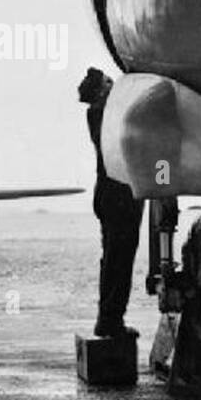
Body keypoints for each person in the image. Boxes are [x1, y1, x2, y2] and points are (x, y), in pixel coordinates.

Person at [78, 67, 144, 338]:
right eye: (109, 82)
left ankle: (109, 317)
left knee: (114, 259)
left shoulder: (99, 113)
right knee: (120, 259)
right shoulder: (103, 113)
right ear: (102, 90)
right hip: (118, 194)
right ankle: (110, 320)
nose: (114, 83)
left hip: (111, 193)